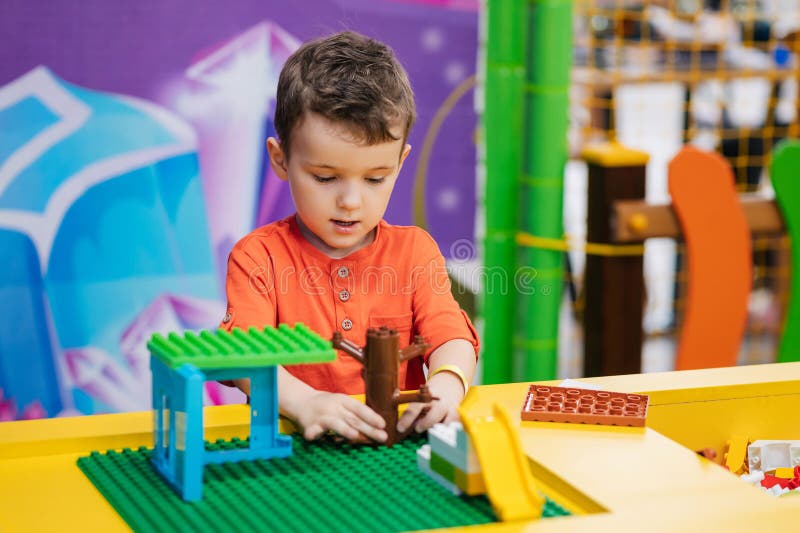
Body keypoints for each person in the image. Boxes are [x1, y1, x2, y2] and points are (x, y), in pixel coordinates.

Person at [220, 31, 479, 444]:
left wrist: (447, 388)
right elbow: (242, 355)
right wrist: (304, 402)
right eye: (325, 177)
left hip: (395, 452)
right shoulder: (259, 258)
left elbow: (451, 335)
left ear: (400, 162)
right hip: (290, 459)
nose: (351, 202)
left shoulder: (415, 252)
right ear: (280, 159)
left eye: (376, 178)